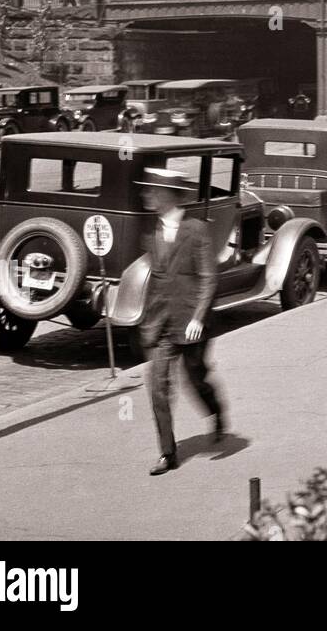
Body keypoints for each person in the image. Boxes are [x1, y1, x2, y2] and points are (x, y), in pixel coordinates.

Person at [138, 167, 226, 475]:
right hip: (162, 324)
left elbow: (208, 277)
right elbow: (157, 279)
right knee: (157, 387)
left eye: (152, 191)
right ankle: (167, 453)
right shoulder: (151, 232)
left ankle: (215, 412)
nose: (147, 195)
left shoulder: (197, 229)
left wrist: (199, 317)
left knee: (195, 379)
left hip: (191, 324)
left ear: (166, 195)